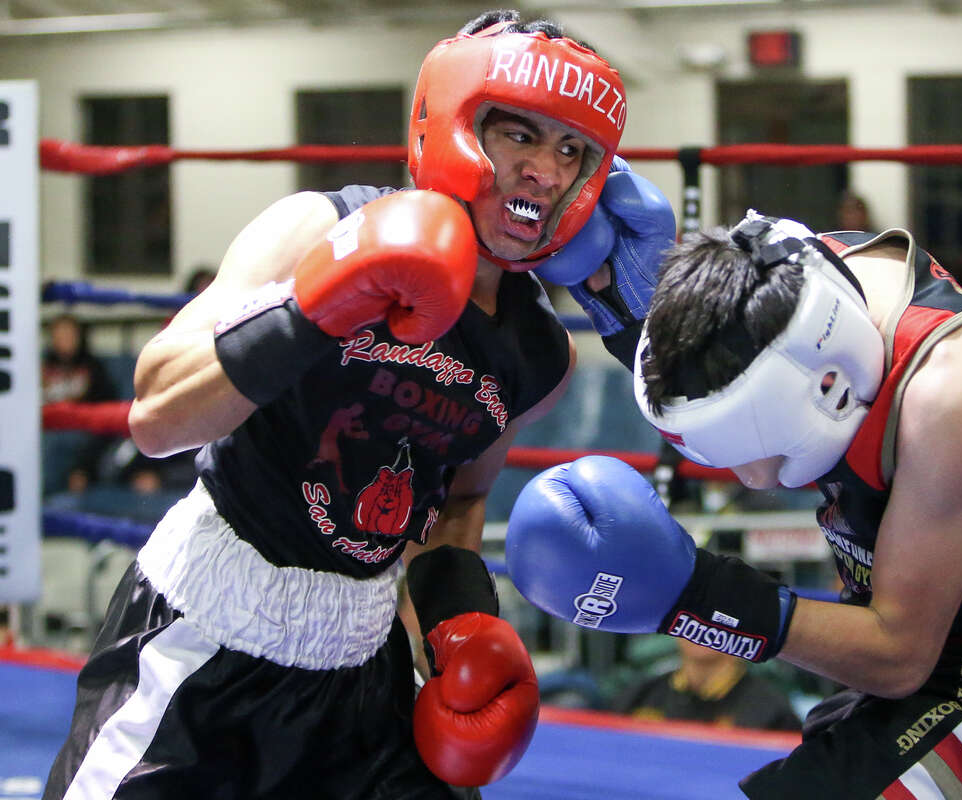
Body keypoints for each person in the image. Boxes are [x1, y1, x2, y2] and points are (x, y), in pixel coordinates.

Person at [43, 9, 674, 799]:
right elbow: (156, 415)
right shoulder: (317, 228)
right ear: (452, 125)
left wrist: (457, 621)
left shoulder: (538, 355)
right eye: (521, 136)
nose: (546, 172)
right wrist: (317, 308)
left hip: (359, 661)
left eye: (571, 150)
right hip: (204, 634)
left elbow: (458, 502)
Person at [505, 210, 962, 798]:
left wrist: (694, 598)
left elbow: (900, 655)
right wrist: (629, 311)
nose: (750, 478)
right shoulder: (787, 286)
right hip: (888, 660)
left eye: (757, 444)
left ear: (831, 386)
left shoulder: (954, 395)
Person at [613, 637, 802, 732]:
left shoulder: (771, 710)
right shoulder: (640, 695)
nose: (700, 626)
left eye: (714, 617)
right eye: (690, 615)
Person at [41, 312, 120, 493]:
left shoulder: (94, 368)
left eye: (69, 334)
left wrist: (83, 468)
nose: (64, 340)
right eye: (59, 334)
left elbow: (107, 417)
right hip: (48, 432)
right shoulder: (41, 366)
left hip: (81, 434)